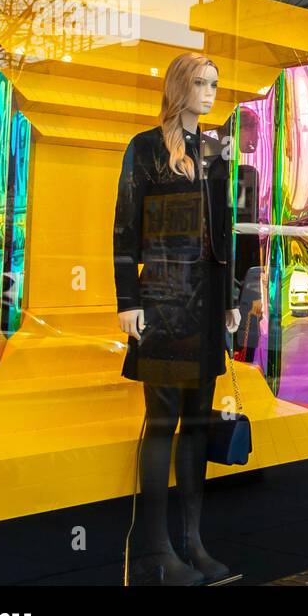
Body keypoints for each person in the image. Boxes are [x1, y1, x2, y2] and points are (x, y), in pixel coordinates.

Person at [114, 52, 241, 585]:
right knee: (163, 424)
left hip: (208, 301)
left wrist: (233, 293)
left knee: (197, 424)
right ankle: (155, 550)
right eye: (200, 83)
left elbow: (227, 226)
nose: (210, 92)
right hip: (164, 300)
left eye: (215, 83)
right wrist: (127, 300)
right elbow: (123, 227)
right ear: (178, 87)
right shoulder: (145, 148)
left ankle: (193, 542)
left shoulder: (214, 152)